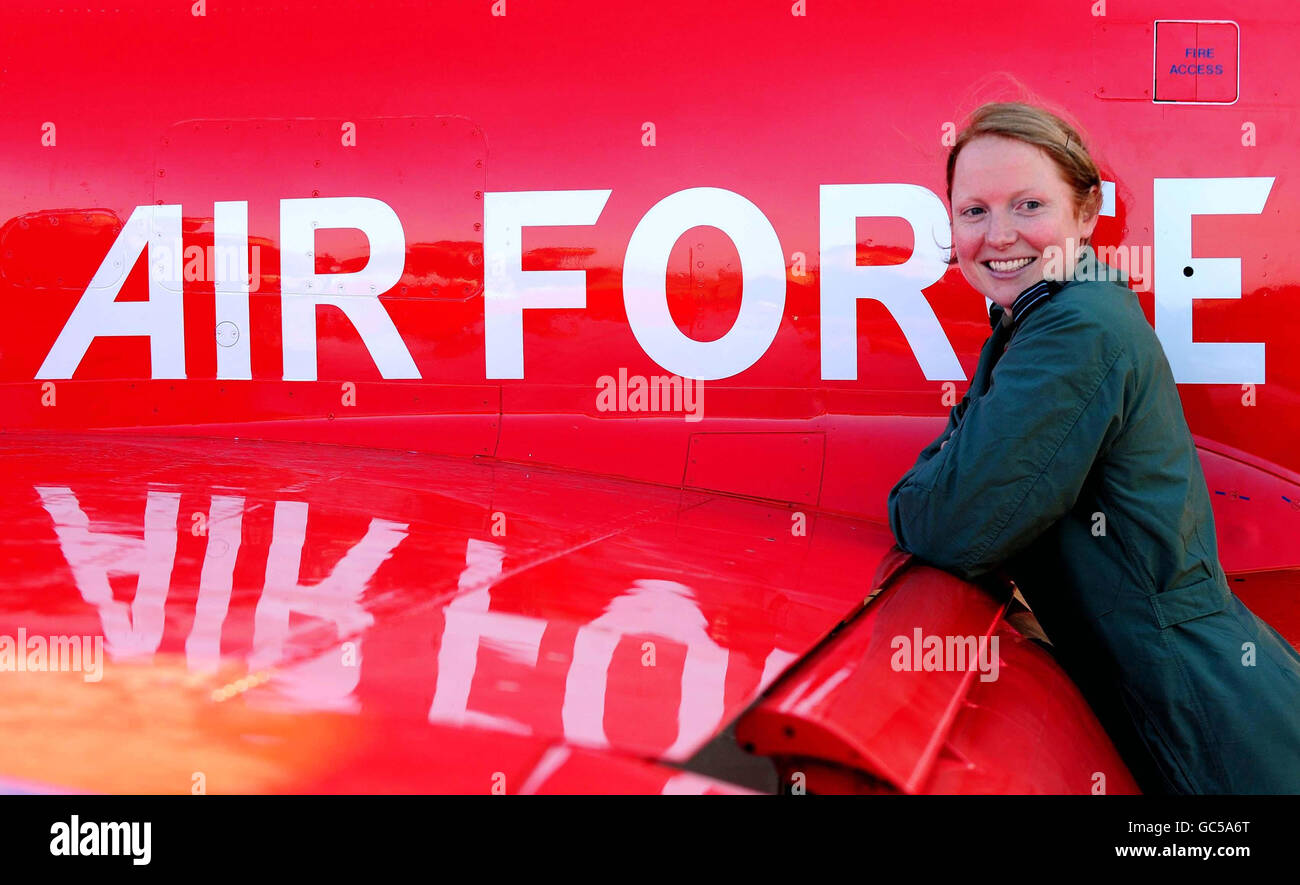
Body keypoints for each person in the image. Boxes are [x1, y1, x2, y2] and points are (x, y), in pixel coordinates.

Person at [887, 101, 1300, 794]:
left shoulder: (1073, 330)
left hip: (1210, 726)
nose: (1000, 234)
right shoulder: (1041, 317)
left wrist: (920, 493)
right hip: (1189, 696)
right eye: (974, 212)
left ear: (1086, 213)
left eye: (1028, 204)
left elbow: (950, 523)